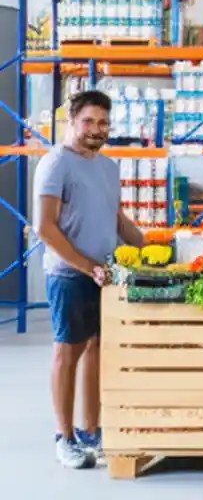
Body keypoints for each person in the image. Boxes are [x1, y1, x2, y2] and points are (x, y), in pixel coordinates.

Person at [34, 90, 144, 469]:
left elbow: (117, 220)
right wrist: (85, 266)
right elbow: (45, 228)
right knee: (68, 351)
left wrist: (152, 247)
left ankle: (91, 431)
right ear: (71, 120)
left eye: (103, 122)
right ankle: (64, 437)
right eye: (89, 121)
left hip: (107, 273)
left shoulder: (108, 167)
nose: (97, 129)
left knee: (98, 349)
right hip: (70, 273)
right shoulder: (55, 164)